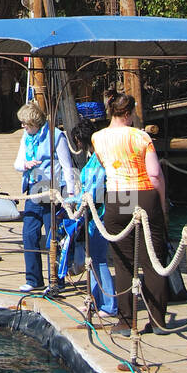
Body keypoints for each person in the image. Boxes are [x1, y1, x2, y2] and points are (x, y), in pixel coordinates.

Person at [92, 92, 170, 334]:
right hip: (144, 193)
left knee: (123, 261)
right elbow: (154, 174)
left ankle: (126, 321)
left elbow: (106, 166)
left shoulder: (98, 137)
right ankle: (157, 320)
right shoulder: (141, 137)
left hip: (119, 195)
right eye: (133, 112)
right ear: (127, 113)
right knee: (152, 260)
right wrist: (163, 201)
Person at [14, 99, 78, 292]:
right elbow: (17, 163)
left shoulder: (56, 137)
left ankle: (56, 279)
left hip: (52, 191)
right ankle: (33, 279)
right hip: (33, 189)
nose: (23, 127)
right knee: (29, 234)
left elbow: (67, 167)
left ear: (35, 123)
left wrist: (71, 194)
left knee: (54, 236)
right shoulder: (26, 138)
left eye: (26, 124)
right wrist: (25, 165)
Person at [66, 118, 117, 317]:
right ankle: (96, 300)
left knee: (98, 259)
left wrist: (77, 201)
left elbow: (94, 189)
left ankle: (109, 305)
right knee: (93, 259)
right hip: (93, 212)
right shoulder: (95, 157)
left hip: (99, 214)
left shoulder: (97, 160)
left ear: (79, 140)